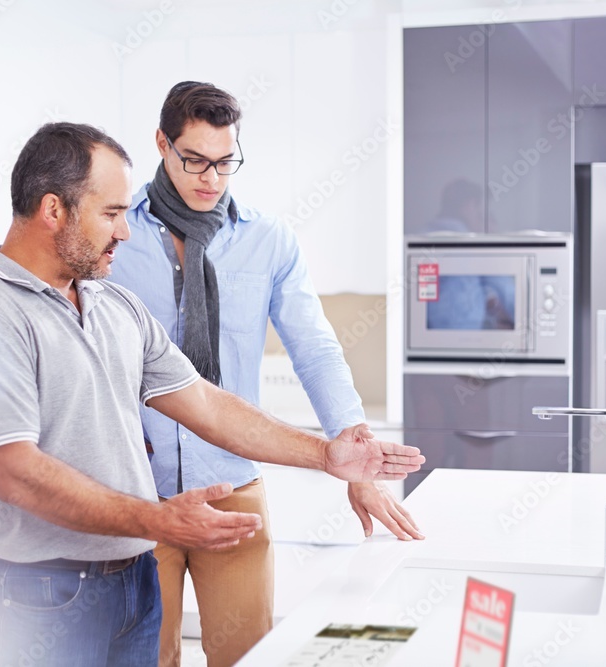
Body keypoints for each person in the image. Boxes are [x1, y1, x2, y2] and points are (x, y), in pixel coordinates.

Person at [0, 121, 424, 667]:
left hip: (132, 582)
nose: (126, 231)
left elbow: (206, 404)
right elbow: (13, 471)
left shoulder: (115, 306)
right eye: (111, 214)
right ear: (53, 210)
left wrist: (326, 455)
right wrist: (155, 520)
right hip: (40, 595)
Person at [108, 82, 425, 667]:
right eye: (195, 160)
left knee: (247, 655)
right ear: (162, 144)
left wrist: (351, 446)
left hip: (232, 485)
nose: (211, 178)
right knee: (147, 659)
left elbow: (314, 346)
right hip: (134, 488)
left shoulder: (268, 240)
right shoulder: (114, 236)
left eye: (225, 163)